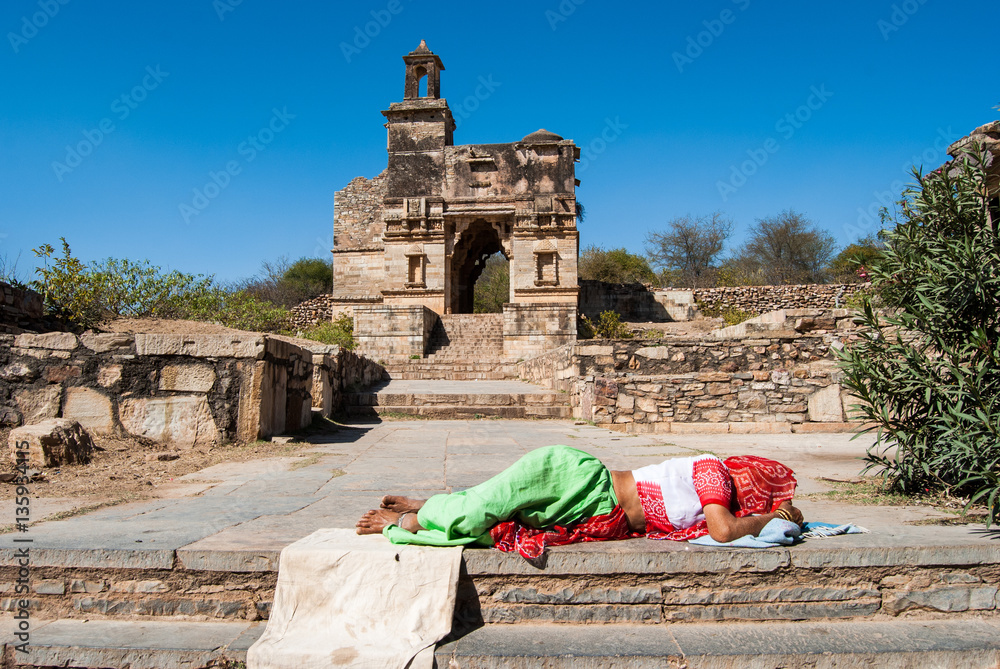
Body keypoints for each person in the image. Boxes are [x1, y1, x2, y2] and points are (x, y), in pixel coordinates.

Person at [356, 445, 803, 560]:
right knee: (476, 513)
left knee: (494, 532)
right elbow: (725, 531)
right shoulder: (712, 469)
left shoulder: (721, 505)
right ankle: (421, 512)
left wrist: (765, 518)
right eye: (763, 491)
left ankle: (427, 509)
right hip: (576, 481)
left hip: (596, 516)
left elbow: (722, 527)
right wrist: (773, 518)